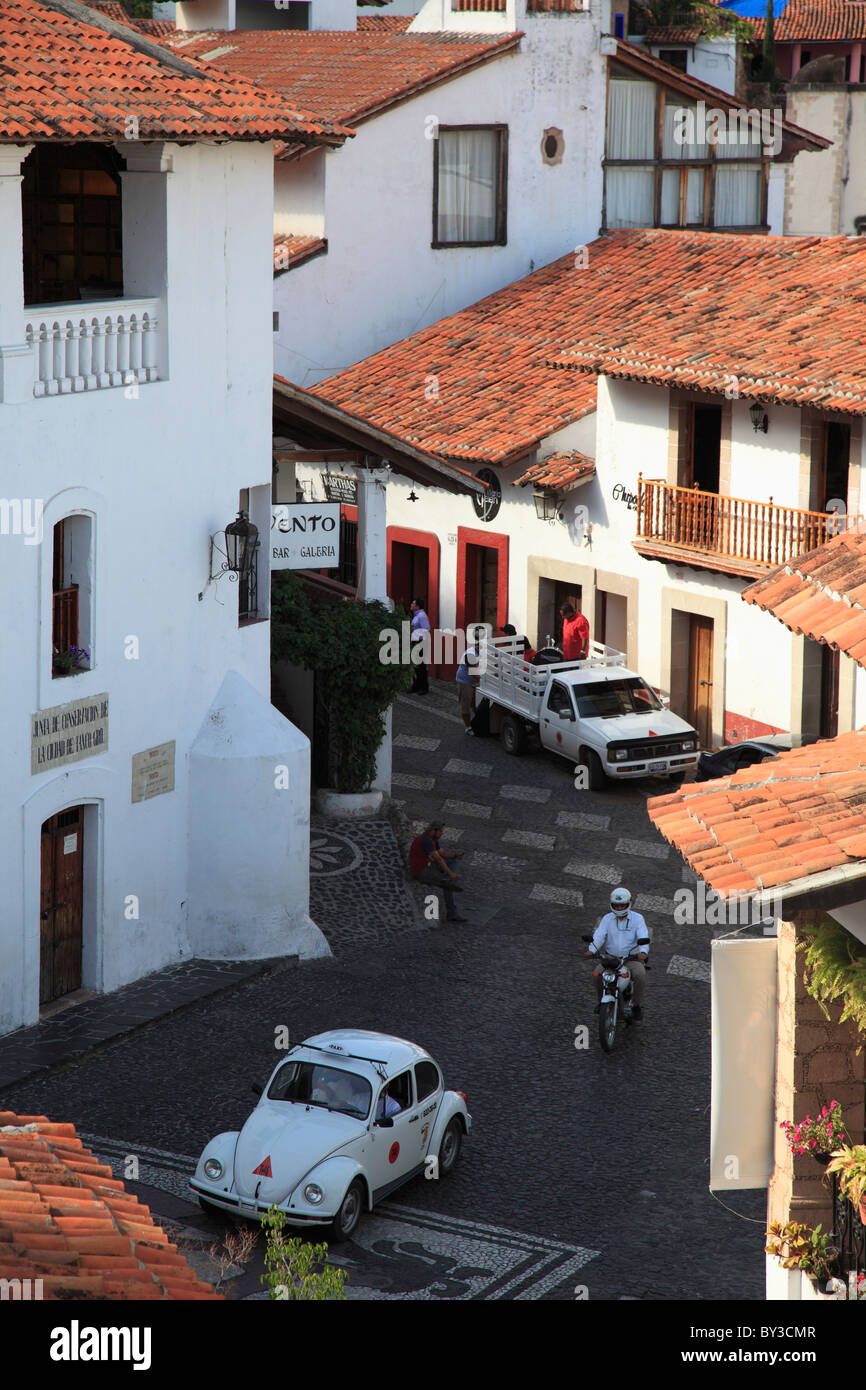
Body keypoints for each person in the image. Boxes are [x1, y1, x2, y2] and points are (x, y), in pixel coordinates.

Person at [585, 887, 650, 1019]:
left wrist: (643, 952)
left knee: (640, 975)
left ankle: (636, 1005)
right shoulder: (607, 919)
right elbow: (599, 936)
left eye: (622, 905)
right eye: (617, 906)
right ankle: (601, 1002)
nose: (619, 908)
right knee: (597, 975)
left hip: (631, 959)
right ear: (612, 905)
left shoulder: (638, 919)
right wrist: (591, 950)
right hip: (610, 958)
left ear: (628, 904)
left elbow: (643, 936)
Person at [408, 820, 467, 924]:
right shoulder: (426, 840)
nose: (442, 833)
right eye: (440, 831)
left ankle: (448, 880)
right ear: (433, 830)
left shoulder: (432, 839)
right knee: (447, 885)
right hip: (422, 872)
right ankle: (452, 914)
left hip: (428, 865)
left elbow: (442, 852)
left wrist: (455, 855)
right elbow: (438, 858)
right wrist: (451, 873)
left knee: (452, 861)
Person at [455, 645, 480, 734]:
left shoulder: (481, 652)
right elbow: (474, 673)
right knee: (466, 704)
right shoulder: (470, 655)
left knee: (476, 703)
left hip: (473, 681)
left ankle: (478, 723)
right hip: (465, 681)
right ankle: (468, 727)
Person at [409, 597, 430, 693]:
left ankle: (424, 687)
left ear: (417, 606)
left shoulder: (421, 616)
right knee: (416, 667)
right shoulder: (417, 615)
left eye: (413, 603)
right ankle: (416, 686)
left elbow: (426, 629)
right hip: (416, 643)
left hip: (420, 643)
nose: (411, 605)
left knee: (421, 666)